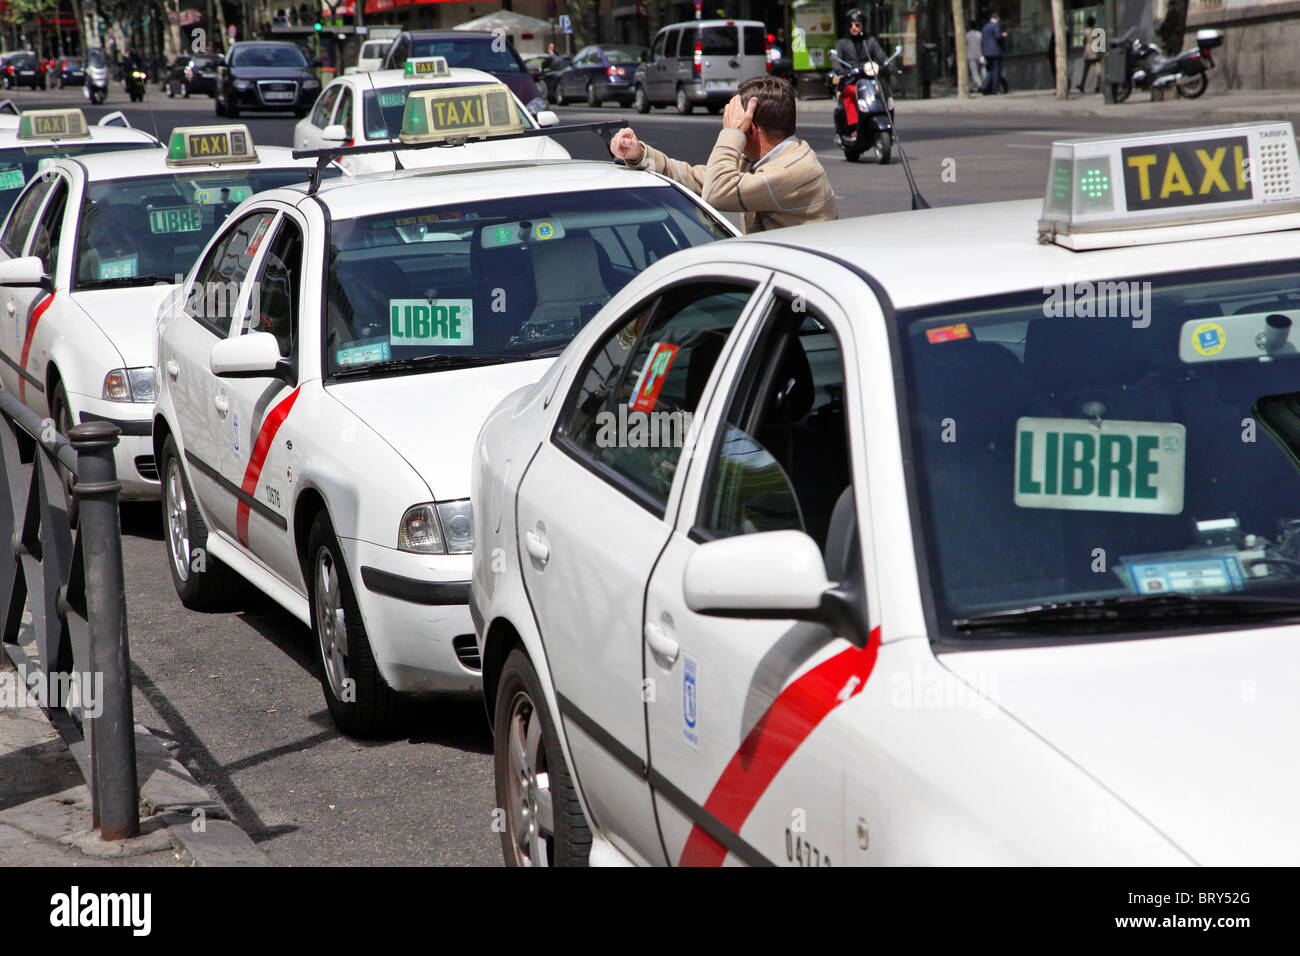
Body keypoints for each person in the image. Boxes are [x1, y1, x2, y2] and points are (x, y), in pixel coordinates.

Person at [608, 75, 837, 233]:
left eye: (734, 119)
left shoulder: (791, 171)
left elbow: (716, 192)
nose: (727, 124)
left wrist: (731, 133)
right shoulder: (771, 157)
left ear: (751, 128)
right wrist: (639, 155)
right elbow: (699, 179)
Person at [981, 12, 1006, 94]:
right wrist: (1003, 35)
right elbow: (998, 36)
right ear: (997, 18)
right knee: (996, 71)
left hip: (987, 52)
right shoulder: (996, 25)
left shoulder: (985, 26)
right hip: (995, 52)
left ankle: (984, 87)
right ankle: (995, 89)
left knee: (990, 70)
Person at [1078, 15, 1103, 93]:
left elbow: (1084, 41)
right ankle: (1099, 85)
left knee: (1085, 70)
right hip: (1095, 51)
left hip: (1088, 51)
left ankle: (1082, 84)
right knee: (1098, 70)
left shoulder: (1086, 31)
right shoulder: (1097, 31)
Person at [965, 19, 985, 94]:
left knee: (974, 72)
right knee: (978, 71)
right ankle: (972, 87)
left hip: (971, 56)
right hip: (979, 55)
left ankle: (979, 85)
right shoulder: (980, 34)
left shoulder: (967, 35)